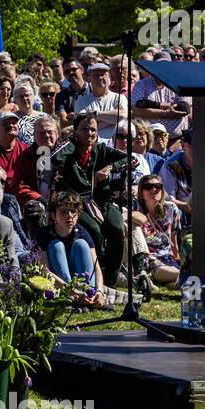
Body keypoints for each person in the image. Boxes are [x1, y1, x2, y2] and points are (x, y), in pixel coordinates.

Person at [51, 113, 128, 288]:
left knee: (116, 228)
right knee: (94, 230)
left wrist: (110, 167)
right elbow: (55, 159)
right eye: (84, 129)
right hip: (77, 203)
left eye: (93, 129)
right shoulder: (68, 149)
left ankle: (112, 277)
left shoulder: (102, 150)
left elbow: (131, 159)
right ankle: (96, 273)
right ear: (75, 131)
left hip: (102, 201)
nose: (90, 133)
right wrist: (71, 143)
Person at [37, 190, 103, 292]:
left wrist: (100, 291)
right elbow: (44, 270)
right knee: (56, 245)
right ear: (54, 215)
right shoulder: (44, 234)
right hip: (59, 286)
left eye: (73, 211)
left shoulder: (82, 233)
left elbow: (96, 267)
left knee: (81, 244)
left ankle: (87, 290)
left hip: (80, 283)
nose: (69, 215)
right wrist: (69, 290)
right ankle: (70, 295)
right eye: (63, 212)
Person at [133, 174, 182, 286]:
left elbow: (173, 241)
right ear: (141, 192)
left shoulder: (171, 209)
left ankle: (178, 279)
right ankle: (185, 277)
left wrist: (177, 259)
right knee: (158, 269)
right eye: (148, 187)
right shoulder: (136, 209)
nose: (154, 190)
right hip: (149, 259)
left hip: (168, 258)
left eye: (157, 186)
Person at [73, 62, 127, 141]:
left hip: (115, 144)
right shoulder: (82, 100)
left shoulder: (119, 98)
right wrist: (111, 119)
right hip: (92, 144)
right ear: (89, 79)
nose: (100, 78)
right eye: (96, 75)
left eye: (103, 74)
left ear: (109, 79)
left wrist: (95, 115)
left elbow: (122, 117)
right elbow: (82, 124)